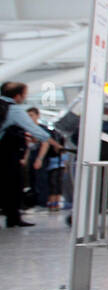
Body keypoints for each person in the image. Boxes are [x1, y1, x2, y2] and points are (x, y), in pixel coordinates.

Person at [1, 82, 55, 227]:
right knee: (13, 185)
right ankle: (13, 218)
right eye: (24, 94)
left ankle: (12, 216)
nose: (25, 97)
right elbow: (36, 131)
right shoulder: (14, 110)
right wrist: (56, 144)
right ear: (17, 96)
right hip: (7, 156)